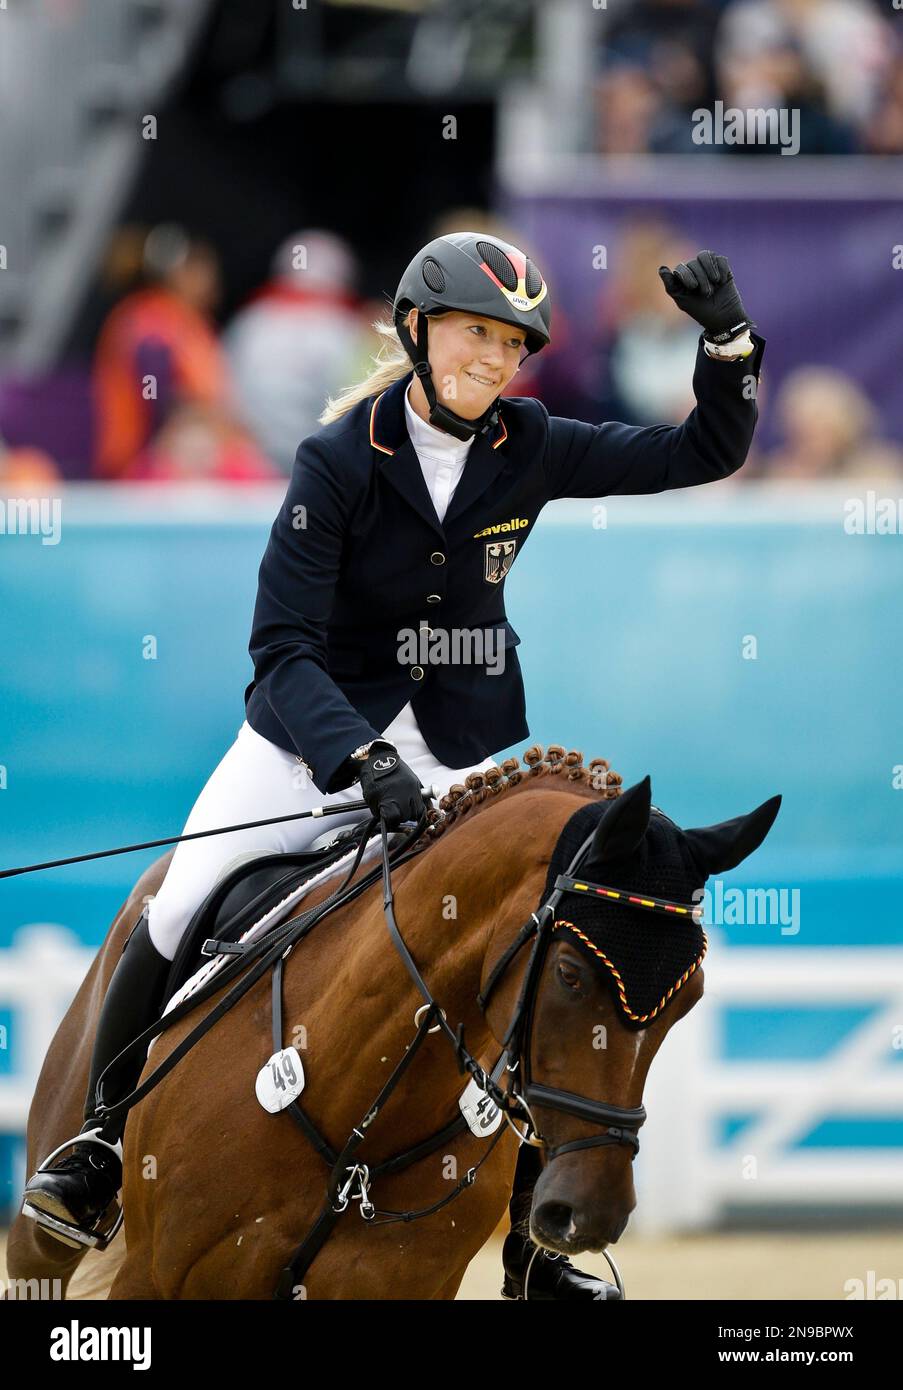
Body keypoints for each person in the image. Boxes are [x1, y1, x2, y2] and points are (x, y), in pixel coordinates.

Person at [24, 232, 764, 1299]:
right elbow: (280, 647)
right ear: (419, 332)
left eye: (512, 347)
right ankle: (94, 1152)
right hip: (305, 739)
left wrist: (730, 342)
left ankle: (536, 1245)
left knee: (516, 952)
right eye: (475, 334)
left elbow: (704, 454)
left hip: (457, 746)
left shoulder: (534, 442)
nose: (494, 361)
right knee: (177, 908)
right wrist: (357, 757)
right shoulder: (338, 460)